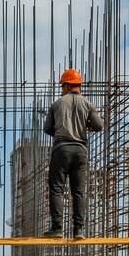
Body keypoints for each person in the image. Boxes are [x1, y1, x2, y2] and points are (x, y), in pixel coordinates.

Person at [42, 68, 104, 240]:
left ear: (67, 85)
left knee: (56, 189)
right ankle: (78, 230)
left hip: (61, 149)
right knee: (78, 191)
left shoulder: (57, 104)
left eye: (63, 86)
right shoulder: (88, 104)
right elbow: (99, 125)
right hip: (80, 151)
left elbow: (47, 128)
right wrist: (86, 126)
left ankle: (57, 228)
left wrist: (62, 129)